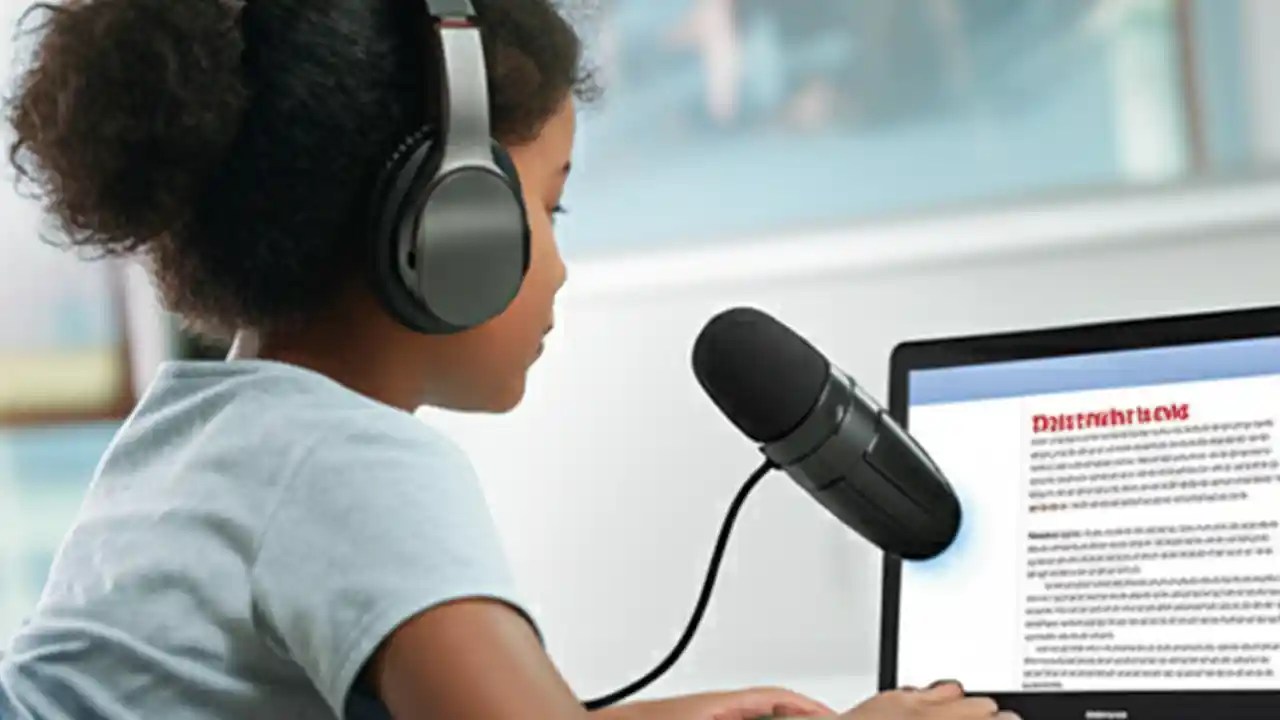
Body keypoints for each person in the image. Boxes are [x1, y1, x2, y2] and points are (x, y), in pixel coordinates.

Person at [0, 0, 1018, 718]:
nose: (562, 267)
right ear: (453, 226)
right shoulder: (346, 466)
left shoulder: (187, 442)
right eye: (549, 203)